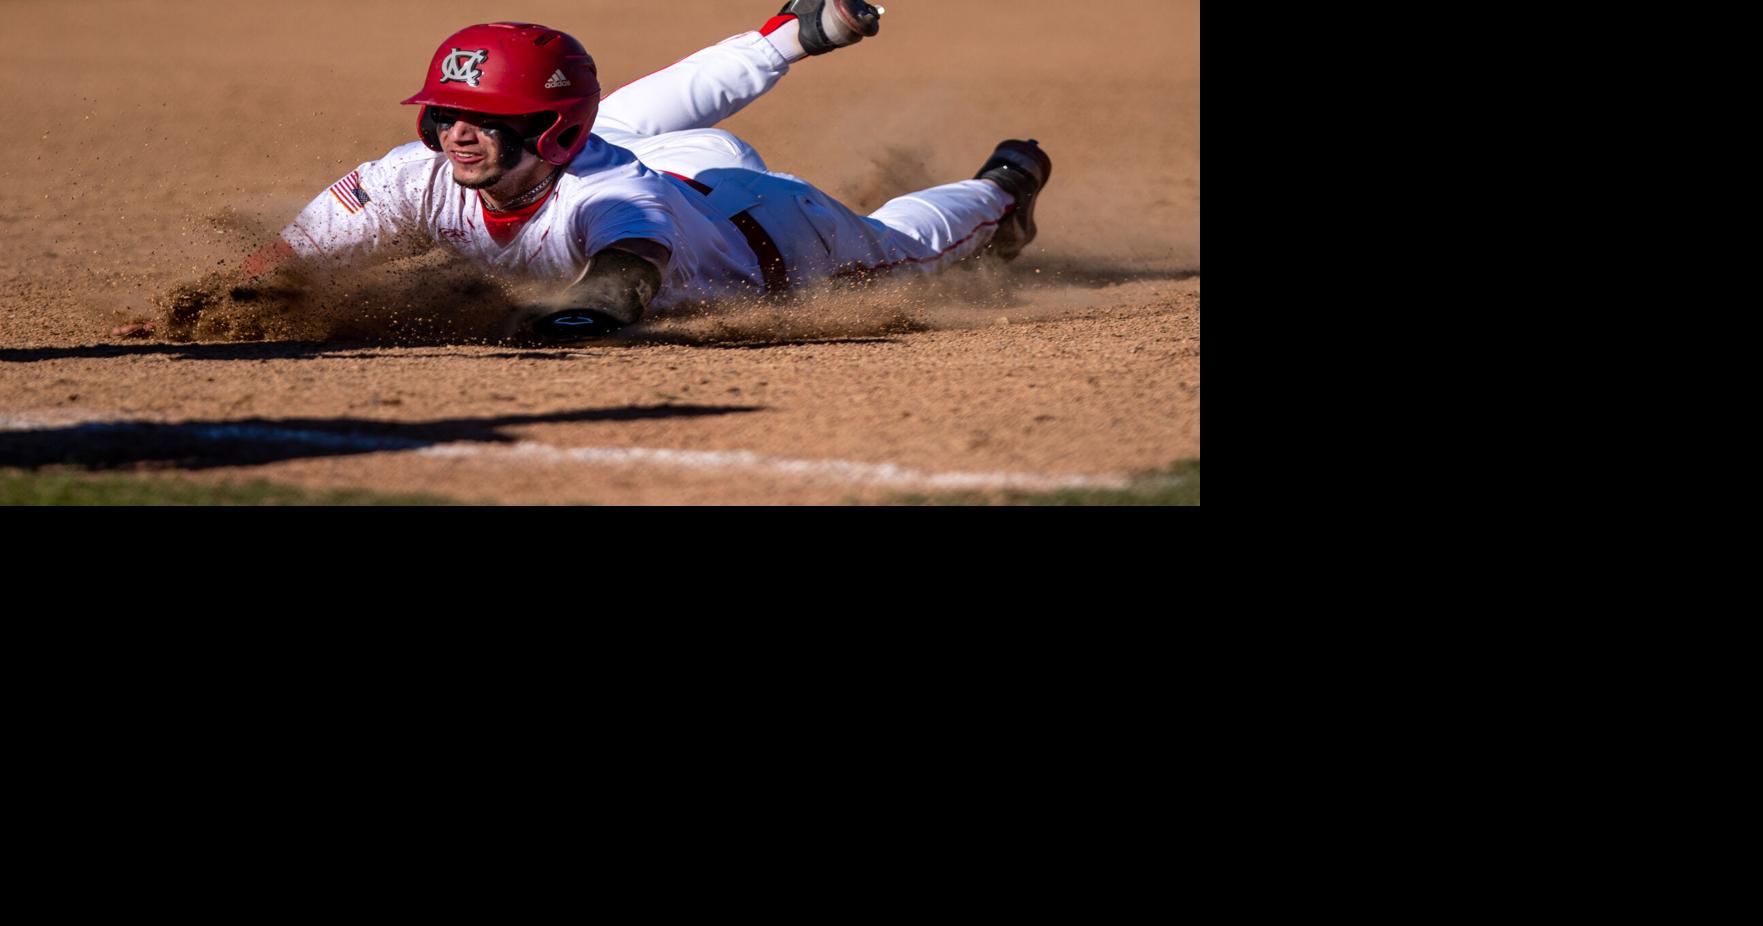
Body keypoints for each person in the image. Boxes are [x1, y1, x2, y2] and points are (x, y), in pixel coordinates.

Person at [239, 0, 1052, 341]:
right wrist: (227, 298)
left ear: (548, 127)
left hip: (768, 227)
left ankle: (1001, 193)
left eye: (485, 118)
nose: (457, 133)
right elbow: (297, 252)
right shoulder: (410, 173)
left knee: (894, 242)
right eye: (447, 113)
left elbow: (626, 274)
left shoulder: (611, 194)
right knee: (619, 115)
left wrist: (578, 319)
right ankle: (789, 32)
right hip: (661, 162)